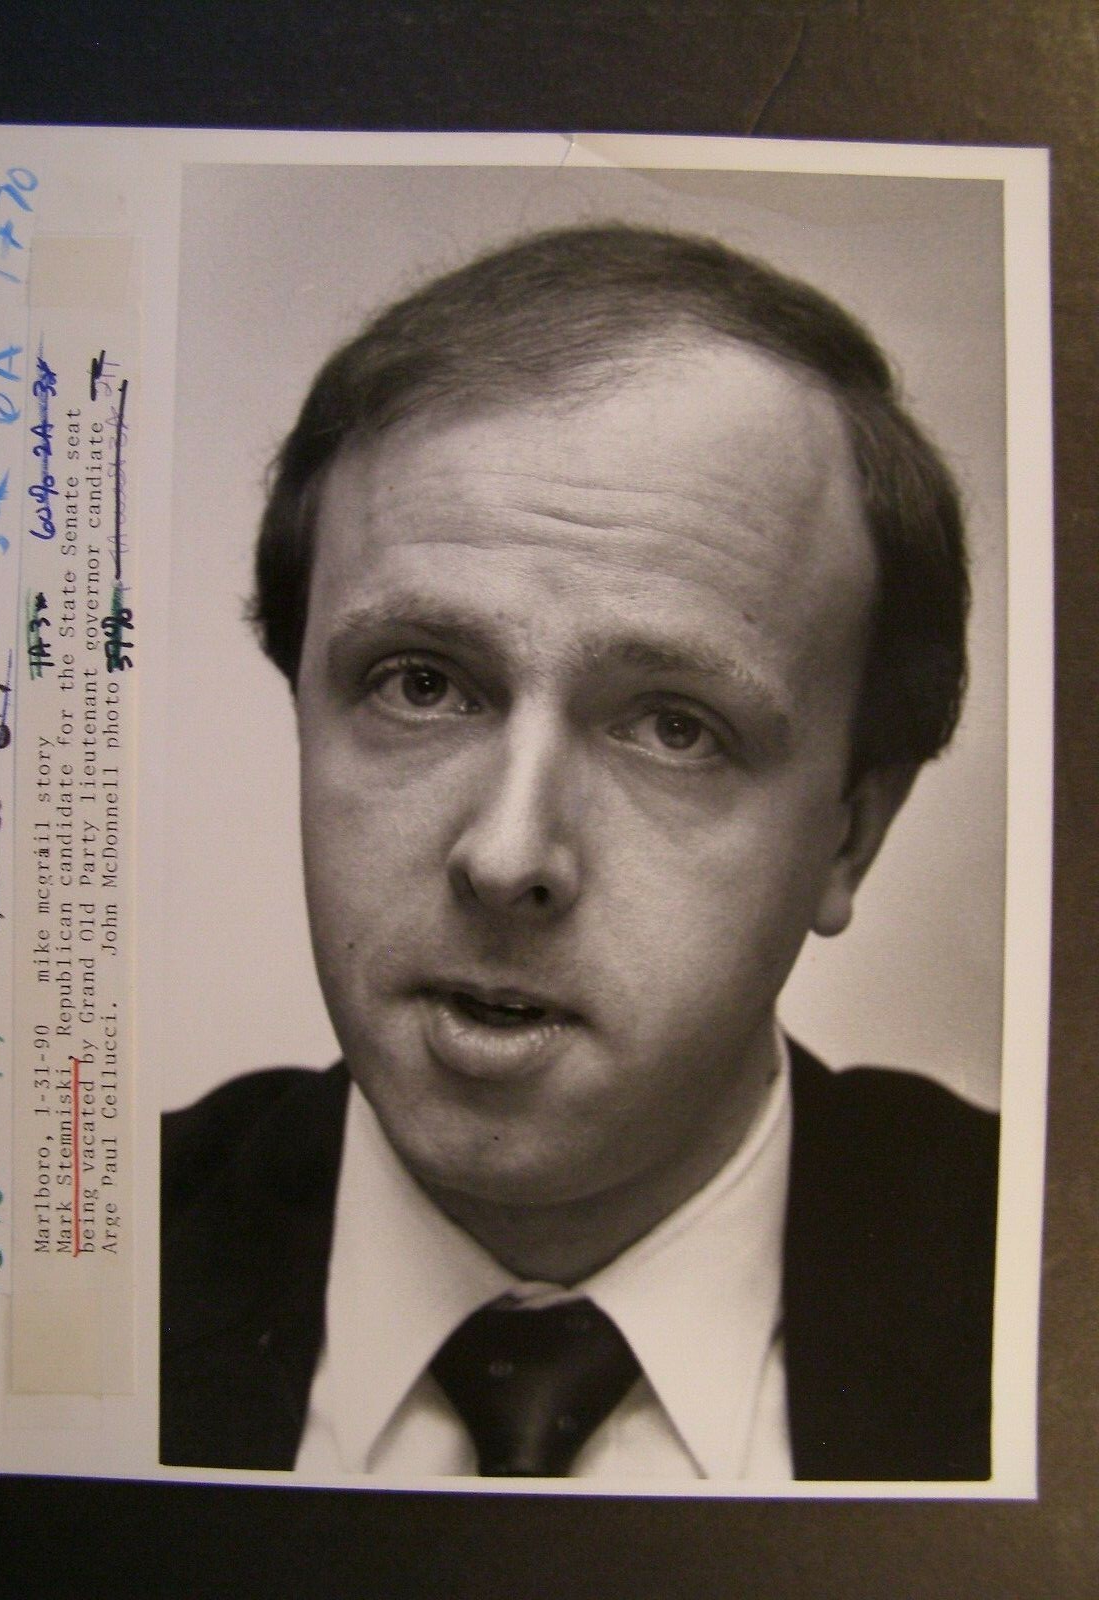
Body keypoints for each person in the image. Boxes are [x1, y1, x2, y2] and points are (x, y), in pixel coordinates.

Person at [160, 224, 998, 1482]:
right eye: (422, 684)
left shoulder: (1033, 1278)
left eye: (676, 726)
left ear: (850, 832)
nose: (506, 857)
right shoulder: (77, 1267)